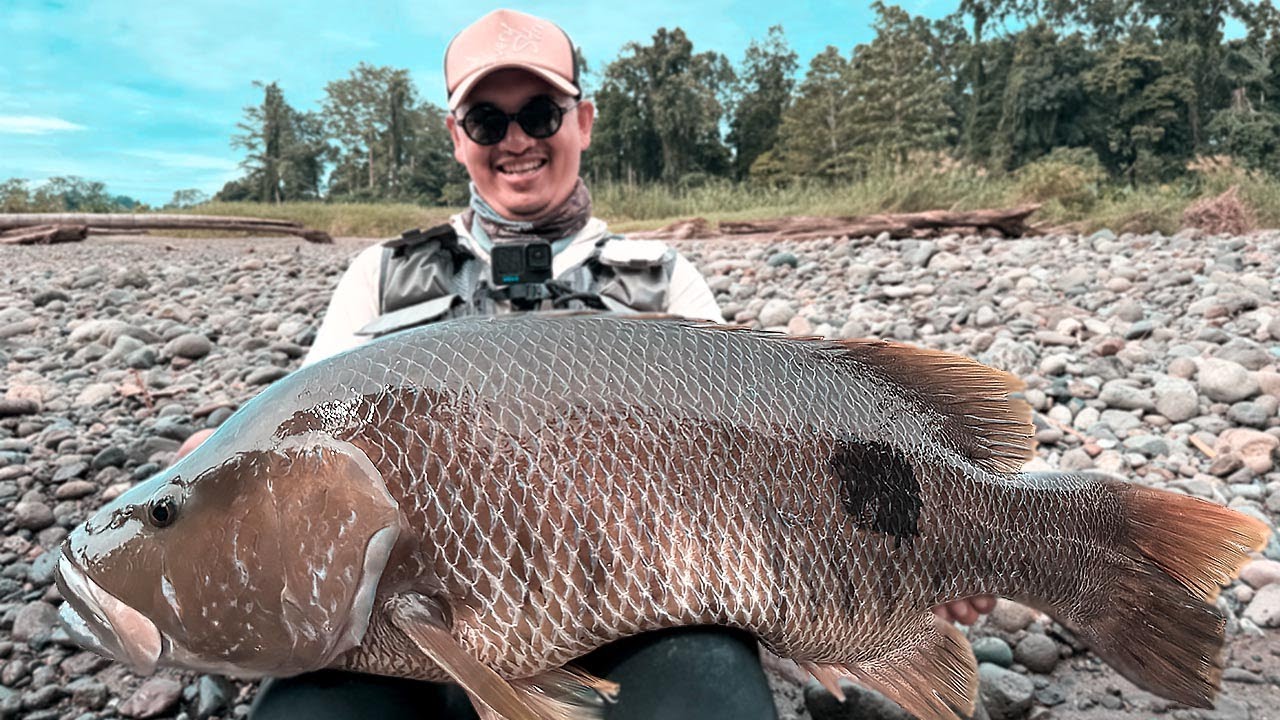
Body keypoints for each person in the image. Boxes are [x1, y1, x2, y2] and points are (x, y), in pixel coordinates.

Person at [177, 9, 993, 718]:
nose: (518, 140)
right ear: (457, 137)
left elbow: (776, 461)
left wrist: (928, 542)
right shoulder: (380, 277)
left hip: (633, 621)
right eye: (488, 122)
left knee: (709, 689)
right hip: (403, 624)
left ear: (584, 119)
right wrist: (216, 472)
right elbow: (294, 462)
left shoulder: (666, 279)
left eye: (540, 111)